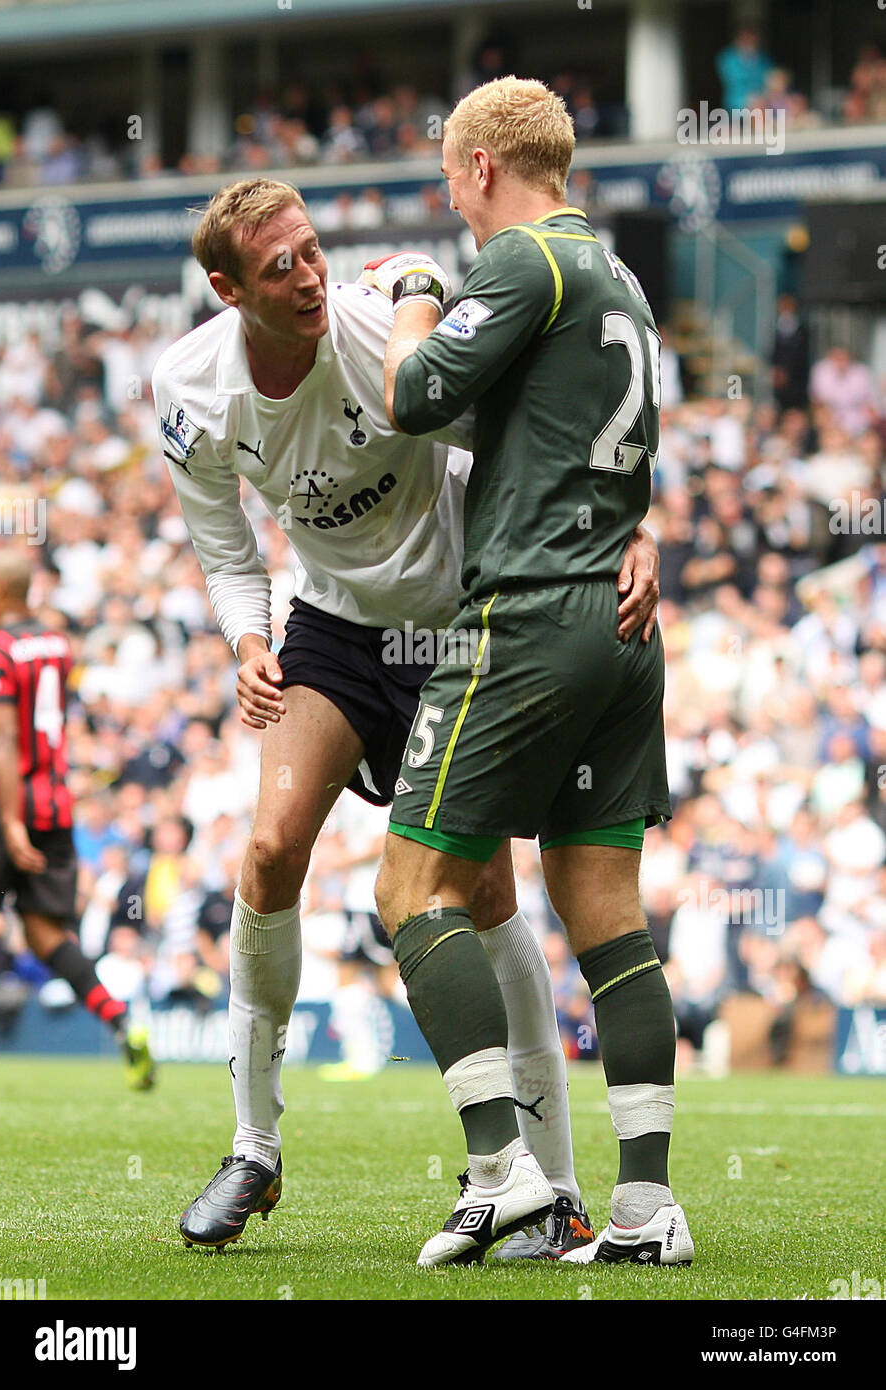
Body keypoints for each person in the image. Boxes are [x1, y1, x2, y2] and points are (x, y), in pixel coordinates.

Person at [153, 177, 661, 1253]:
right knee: (268, 847)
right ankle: (254, 1146)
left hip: (459, 625)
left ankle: (552, 1184)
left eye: (310, 249)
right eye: (279, 264)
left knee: (479, 892)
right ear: (225, 287)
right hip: (333, 628)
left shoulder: (385, 324)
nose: (307, 274)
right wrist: (249, 640)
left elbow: (537, 432)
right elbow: (223, 541)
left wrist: (621, 525)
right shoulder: (189, 388)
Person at [375, 76, 692, 1268]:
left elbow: (412, 395)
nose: (449, 199)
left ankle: (504, 1169)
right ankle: (646, 1207)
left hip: (525, 616)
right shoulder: (622, 280)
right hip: (620, 623)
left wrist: (413, 293)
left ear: (479, 168)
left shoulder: (518, 266)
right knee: (606, 909)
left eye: (450, 175)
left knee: (411, 894)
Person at [0, 547, 155, 1089]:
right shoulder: (56, 643)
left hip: (4, 805)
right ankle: (122, 1021)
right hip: (55, 806)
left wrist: (9, 821)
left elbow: (5, 738)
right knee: (43, 932)